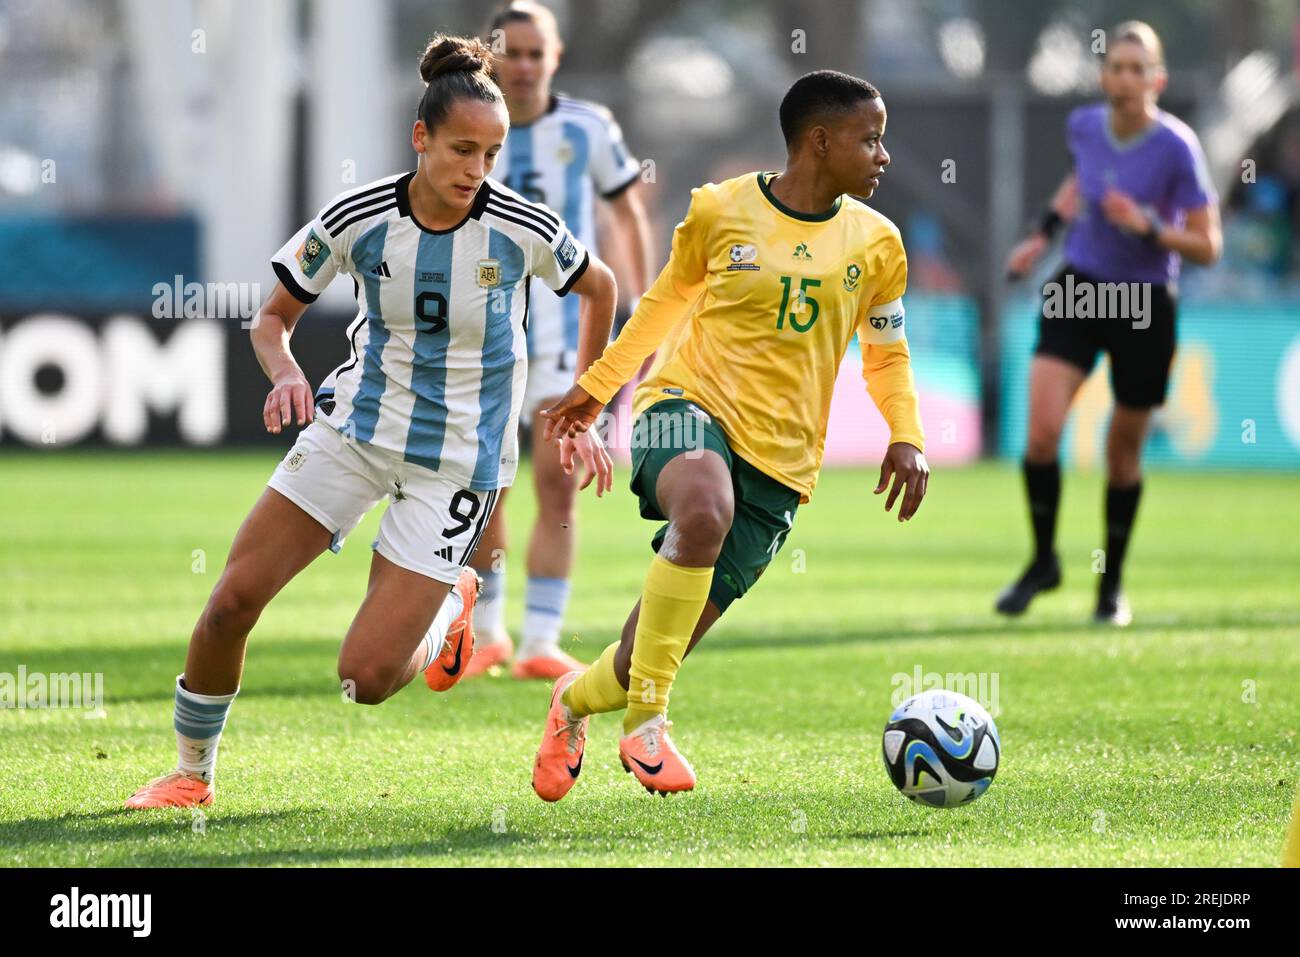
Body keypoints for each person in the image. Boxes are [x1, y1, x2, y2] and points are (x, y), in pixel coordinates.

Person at [124, 33, 615, 809]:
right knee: (229, 602)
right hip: (353, 433)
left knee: (366, 679)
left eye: (491, 154)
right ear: (420, 137)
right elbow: (270, 319)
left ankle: (455, 597)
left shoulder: (518, 225)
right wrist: (286, 371)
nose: (475, 171)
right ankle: (191, 772)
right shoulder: (360, 216)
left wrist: (586, 401)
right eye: (461, 150)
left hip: (458, 463)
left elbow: (602, 286)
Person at [529, 70, 929, 800]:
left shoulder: (878, 244)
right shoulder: (721, 210)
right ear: (820, 140)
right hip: (686, 403)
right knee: (703, 510)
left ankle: (574, 702)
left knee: (649, 648)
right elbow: (659, 306)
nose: (883, 155)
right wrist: (598, 385)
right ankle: (648, 722)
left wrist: (906, 433)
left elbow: (887, 353)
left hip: (782, 462)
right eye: (870, 139)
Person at [999, 20, 1221, 626]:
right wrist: (1040, 236)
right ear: (1104, 76)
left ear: (1157, 78)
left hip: (1145, 302)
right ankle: (1043, 561)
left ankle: (1111, 585)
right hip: (1080, 286)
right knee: (1042, 434)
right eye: (1115, 68)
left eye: (1136, 68)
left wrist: (1150, 227)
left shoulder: (1177, 148)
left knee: (1122, 453)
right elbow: (1079, 185)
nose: (1124, 78)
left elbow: (1208, 245)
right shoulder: (1085, 127)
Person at [463, 1, 654, 680]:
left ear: (556, 56)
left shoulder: (588, 127)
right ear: (489, 56)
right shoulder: (471, 120)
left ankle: (540, 639)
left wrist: (641, 309)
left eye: (533, 52)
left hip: (567, 328)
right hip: (481, 332)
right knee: (484, 484)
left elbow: (628, 214)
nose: (521, 65)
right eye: (509, 52)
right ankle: (487, 629)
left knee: (558, 481)